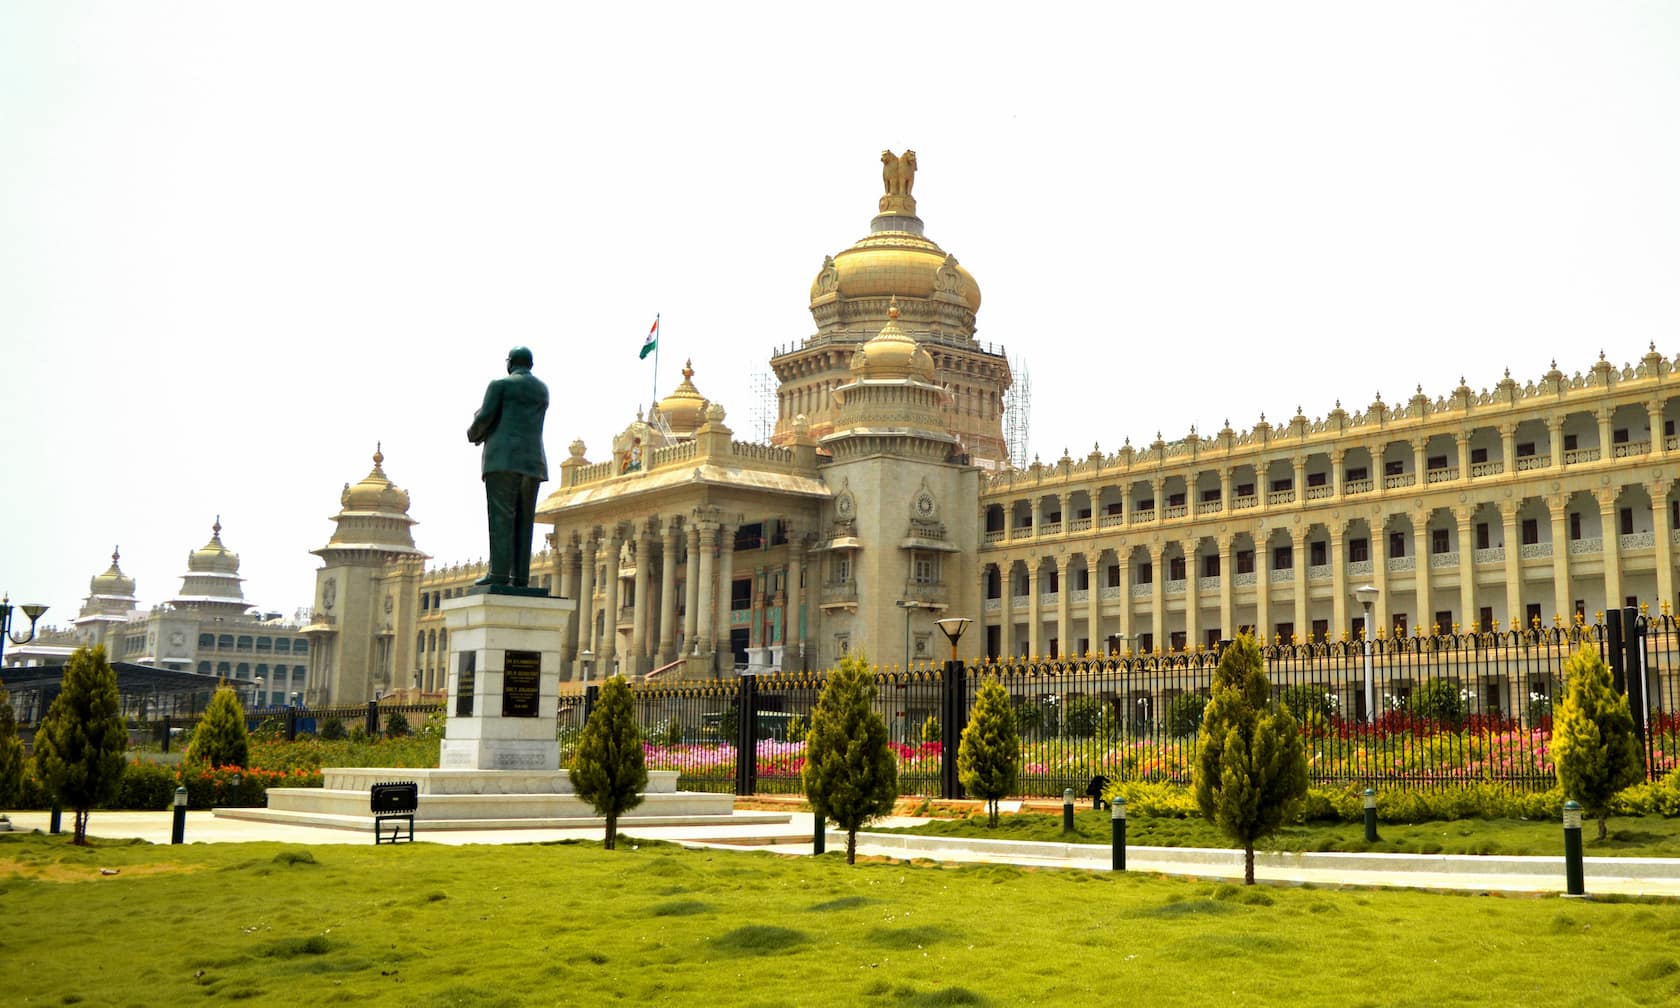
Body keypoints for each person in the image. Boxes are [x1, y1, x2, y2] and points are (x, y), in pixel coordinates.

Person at [467, 346, 549, 588]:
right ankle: (520, 576)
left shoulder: (499, 385)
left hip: (503, 460)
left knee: (502, 518)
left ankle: (500, 574)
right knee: (524, 521)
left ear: (509, 363)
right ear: (531, 365)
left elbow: (485, 418)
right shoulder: (542, 390)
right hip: (533, 463)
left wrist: (473, 433)